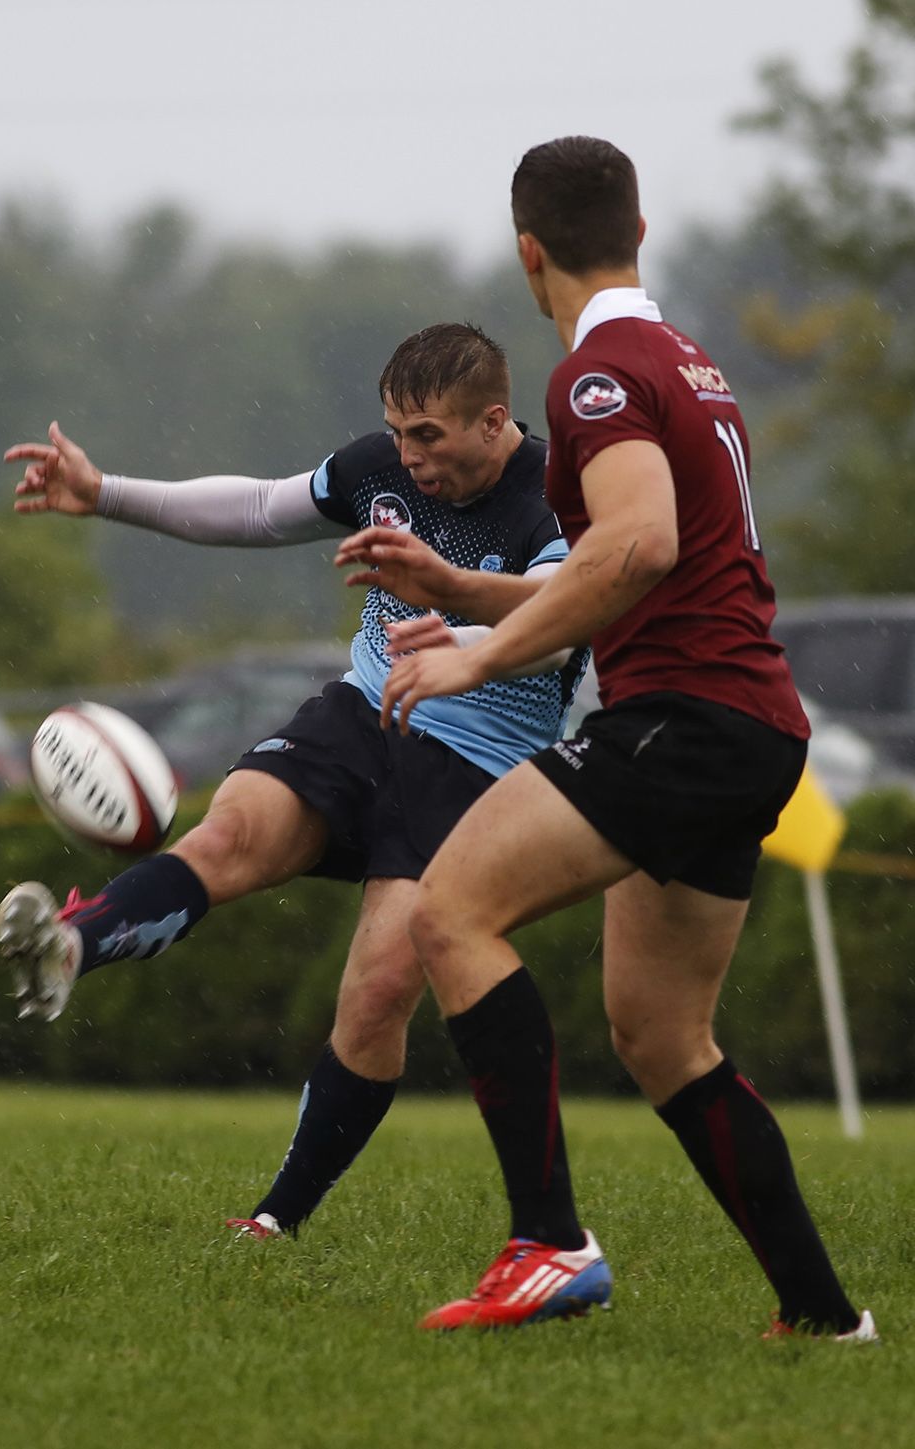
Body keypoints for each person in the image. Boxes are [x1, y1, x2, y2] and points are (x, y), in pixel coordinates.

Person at [362, 139, 875, 1339]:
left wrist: (478, 658)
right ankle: (820, 1315)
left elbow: (635, 545)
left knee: (447, 911)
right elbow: (630, 570)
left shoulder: (593, 375)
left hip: (681, 720)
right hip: (748, 723)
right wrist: (464, 590)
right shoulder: (685, 361)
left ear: (527, 252)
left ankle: (548, 1244)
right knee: (659, 1033)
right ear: (638, 231)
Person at [0, 322, 588, 1241]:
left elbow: (555, 616)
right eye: (397, 432)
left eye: (428, 435)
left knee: (380, 986)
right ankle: (74, 944)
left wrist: (454, 624)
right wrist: (104, 492)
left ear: (493, 421)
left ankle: (278, 1215)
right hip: (363, 712)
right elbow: (262, 509)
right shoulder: (381, 471)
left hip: (476, 761)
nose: (409, 456)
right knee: (227, 834)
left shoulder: (554, 496)